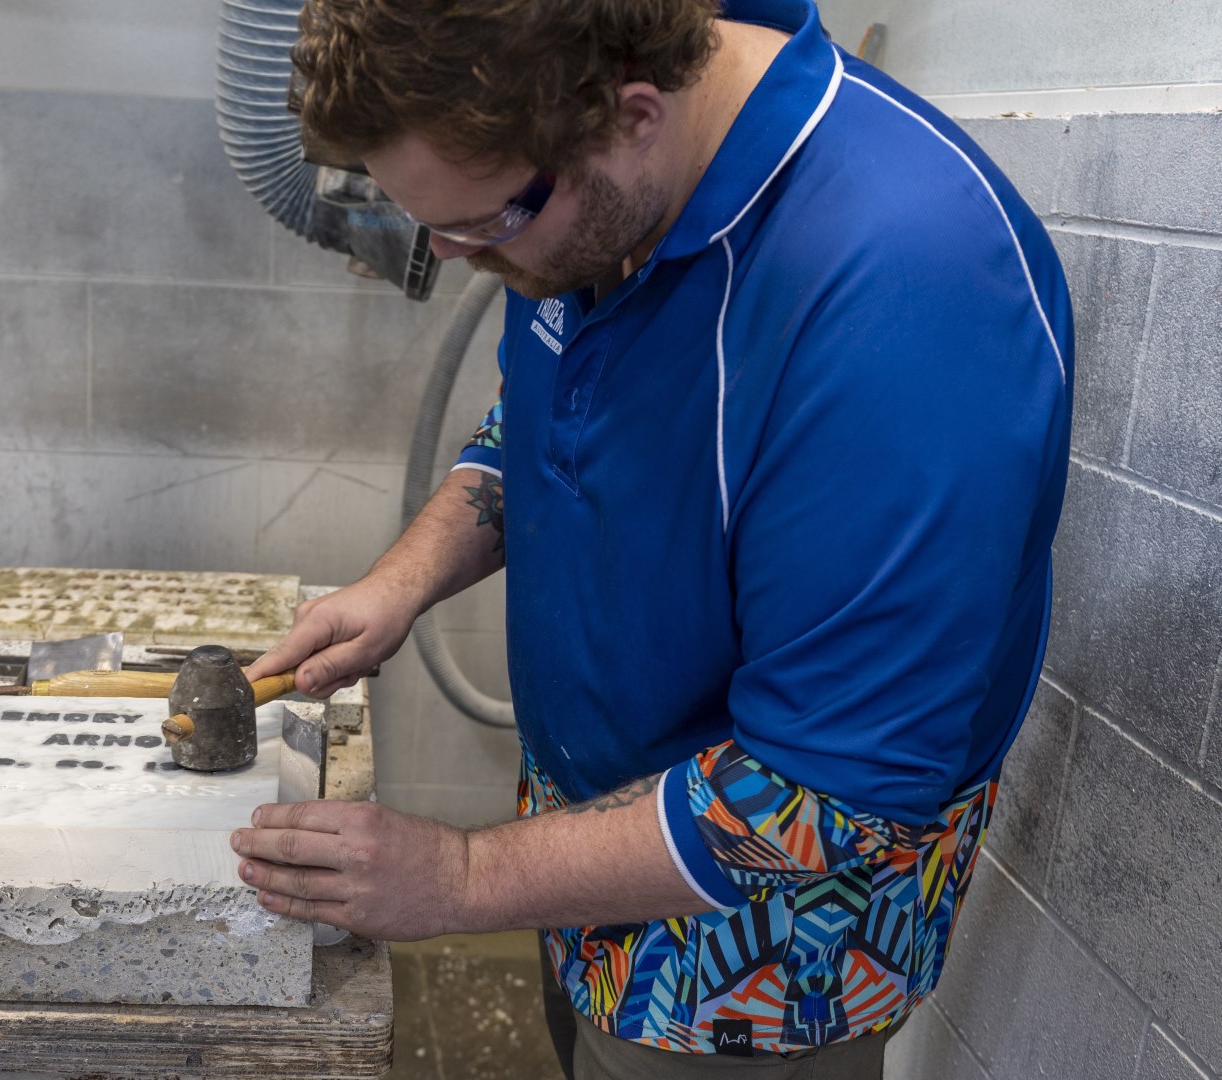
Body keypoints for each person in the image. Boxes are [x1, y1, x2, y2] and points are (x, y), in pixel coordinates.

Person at [239, 0, 1072, 1075]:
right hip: (575, 864)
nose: (450, 254)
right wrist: (401, 583)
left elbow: (825, 798)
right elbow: (539, 421)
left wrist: (461, 879)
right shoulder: (590, 182)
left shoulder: (908, 289)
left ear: (633, 115)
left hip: (754, 967)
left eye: (482, 224)